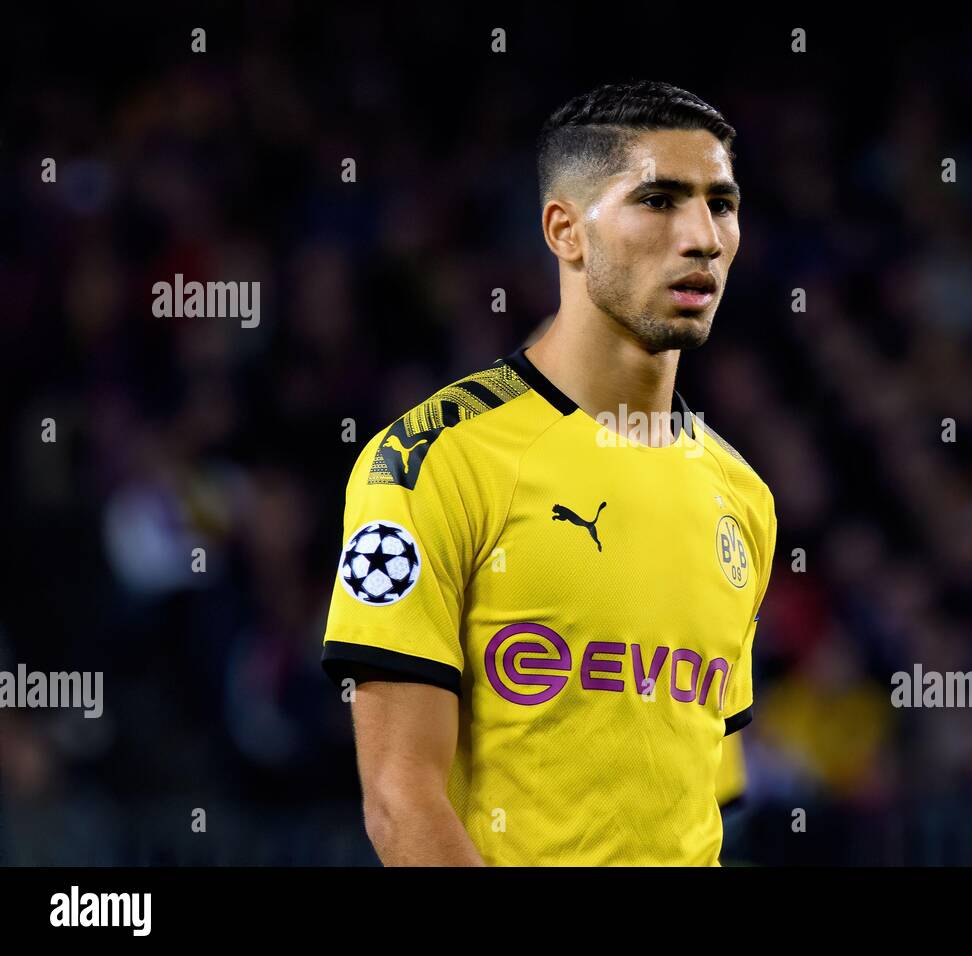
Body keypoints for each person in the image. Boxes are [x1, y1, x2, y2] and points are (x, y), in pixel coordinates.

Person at [321, 80, 776, 865]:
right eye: (660, 200)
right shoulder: (437, 459)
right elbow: (401, 802)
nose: (702, 235)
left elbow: (700, 807)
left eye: (721, 203)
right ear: (566, 232)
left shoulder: (743, 499)